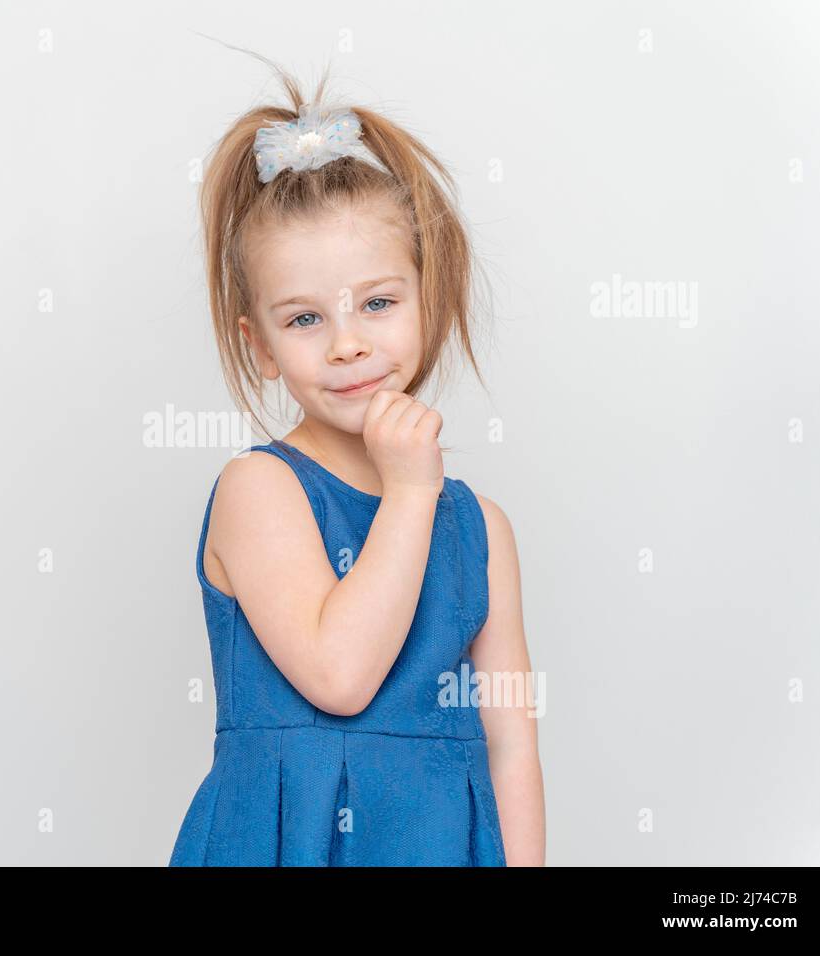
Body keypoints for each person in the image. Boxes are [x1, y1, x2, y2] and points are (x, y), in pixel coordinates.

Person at [169, 57, 545, 866]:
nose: (349, 343)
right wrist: (410, 492)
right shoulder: (259, 489)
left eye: (378, 302)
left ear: (428, 298)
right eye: (304, 318)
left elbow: (511, 744)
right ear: (258, 347)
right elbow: (340, 677)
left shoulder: (481, 530)